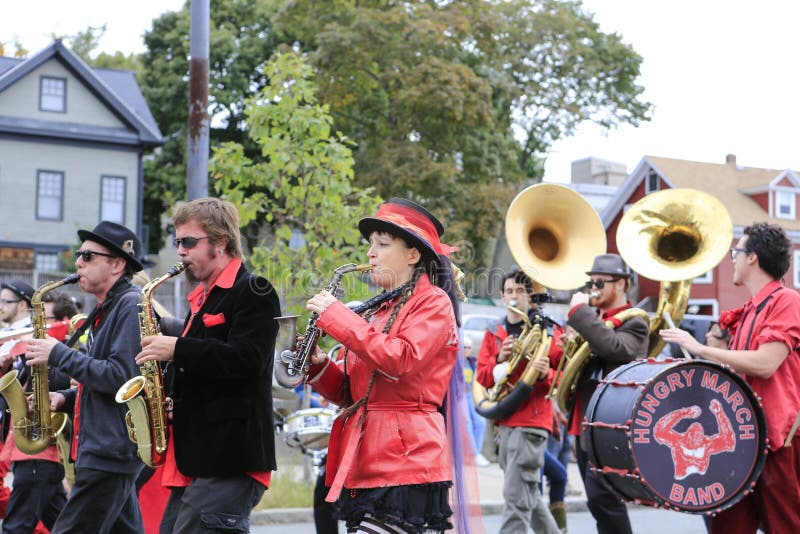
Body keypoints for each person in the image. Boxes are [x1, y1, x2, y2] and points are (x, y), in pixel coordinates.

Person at [304, 198, 460, 533]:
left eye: (383, 244)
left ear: (412, 254)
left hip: (408, 459)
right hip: (367, 458)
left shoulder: (433, 301)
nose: (370, 253)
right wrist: (317, 366)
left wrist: (337, 317)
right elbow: (352, 392)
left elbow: (400, 359)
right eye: (371, 244)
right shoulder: (377, 310)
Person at [135, 197, 280, 533]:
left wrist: (177, 348)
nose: (180, 252)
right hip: (197, 457)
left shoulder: (254, 290)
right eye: (177, 243)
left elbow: (248, 359)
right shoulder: (204, 296)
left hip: (230, 458)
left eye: (188, 242)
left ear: (220, 243)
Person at [660, 222, 800, 533]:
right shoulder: (750, 309)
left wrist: (700, 349)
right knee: (728, 527)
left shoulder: (786, 300)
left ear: (753, 258)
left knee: (785, 527)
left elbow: (765, 364)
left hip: (777, 439)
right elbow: (739, 374)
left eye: (736, 252)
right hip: (744, 440)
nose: (732, 259)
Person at [25, 221, 147, 533]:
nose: (78, 262)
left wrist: (58, 354)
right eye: (80, 255)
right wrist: (64, 398)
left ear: (118, 264)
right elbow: (106, 382)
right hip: (107, 450)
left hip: (110, 452)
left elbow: (122, 378)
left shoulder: (130, 304)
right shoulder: (107, 309)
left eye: (88, 256)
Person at [564, 253, 649, 534]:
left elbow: (615, 348)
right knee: (596, 501)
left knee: (603, 497)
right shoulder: (595, 321)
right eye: (591, 283)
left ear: (622, 283)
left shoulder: (634, 321)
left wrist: (580, 314)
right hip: (583, 421)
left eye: (600, 282)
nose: (593, 289)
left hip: (609, 425)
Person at [475, 268, 561, 534]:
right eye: (510, 291)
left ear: (530, 296)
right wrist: (501, 358)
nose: (515, 296)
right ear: (502, 296)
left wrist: (543, 372)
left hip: (531, 423)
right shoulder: (494, 332)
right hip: (504, 423)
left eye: (521, 291)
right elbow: (482, 378)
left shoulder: (546, 331)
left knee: (515, 503)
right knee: (527, 498)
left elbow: (561, 380)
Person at [0, 279, 36, 521]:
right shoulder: (7, 333)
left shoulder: (29, 335)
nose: (0, 306)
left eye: (5, 301)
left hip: (16, 419)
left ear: (22, 304)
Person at [462, 336, 490, 467]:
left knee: (480, 421)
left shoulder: (472, 362)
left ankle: (476, 452)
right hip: (459, 397)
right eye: (464, 347)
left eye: (469, 347)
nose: (466, 350)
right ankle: (474, 454)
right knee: (466, 423)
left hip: (470, 394)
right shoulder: (455, 363)